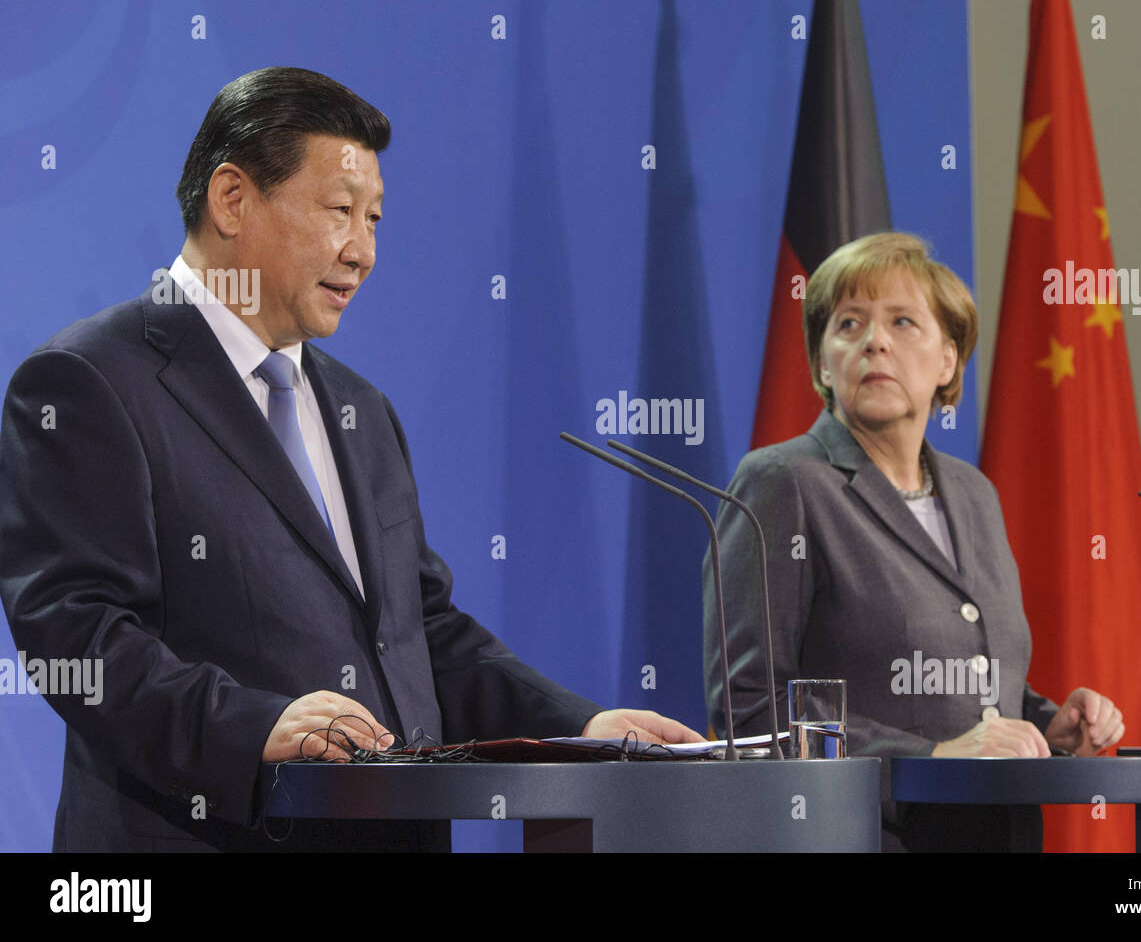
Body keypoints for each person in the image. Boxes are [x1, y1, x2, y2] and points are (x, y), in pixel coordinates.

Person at [0, 67, 701, 853]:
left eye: (374, 218)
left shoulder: (361, 409)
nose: (363, 252)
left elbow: (421, 635)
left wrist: (581, 728)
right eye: (340, 212)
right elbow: (80, 638)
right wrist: (256, 724)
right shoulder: (90, 381)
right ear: (233, 199)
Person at [703, 232, 1123, 852]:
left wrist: (1043, 722)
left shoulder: (973, 493)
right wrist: (930, 757)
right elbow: (750, 714)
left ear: (948, 361)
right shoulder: (782, 484)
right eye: (849, 324)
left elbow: (968, 681)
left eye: (903, 321)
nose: (875, 341)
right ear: (823, 362)